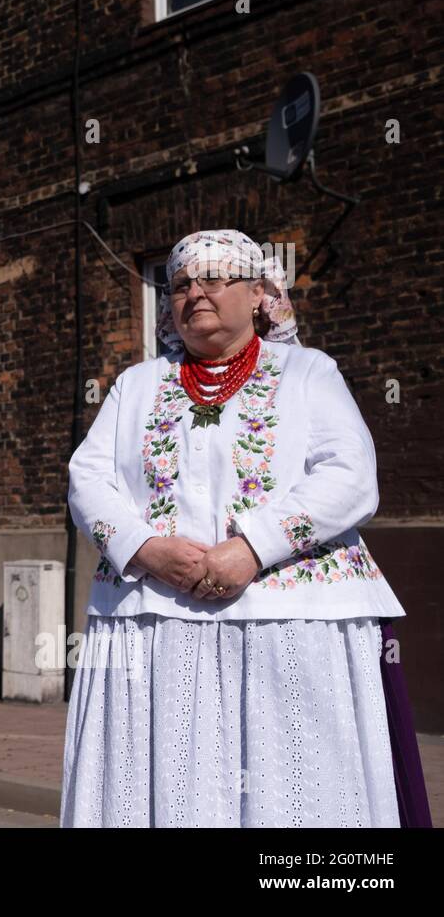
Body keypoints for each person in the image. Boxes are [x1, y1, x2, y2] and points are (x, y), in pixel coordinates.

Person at [62, 229, 426, 827]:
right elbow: (88, 478)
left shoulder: (307, 372)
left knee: (297, 788)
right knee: (166, 785)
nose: (195, 292)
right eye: (181, 283)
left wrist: (254, 546)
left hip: (293, 622)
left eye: (214, 278)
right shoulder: (137, 385)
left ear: (258, 292)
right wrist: (147, 548)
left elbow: (352, 475)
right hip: (154, 623)